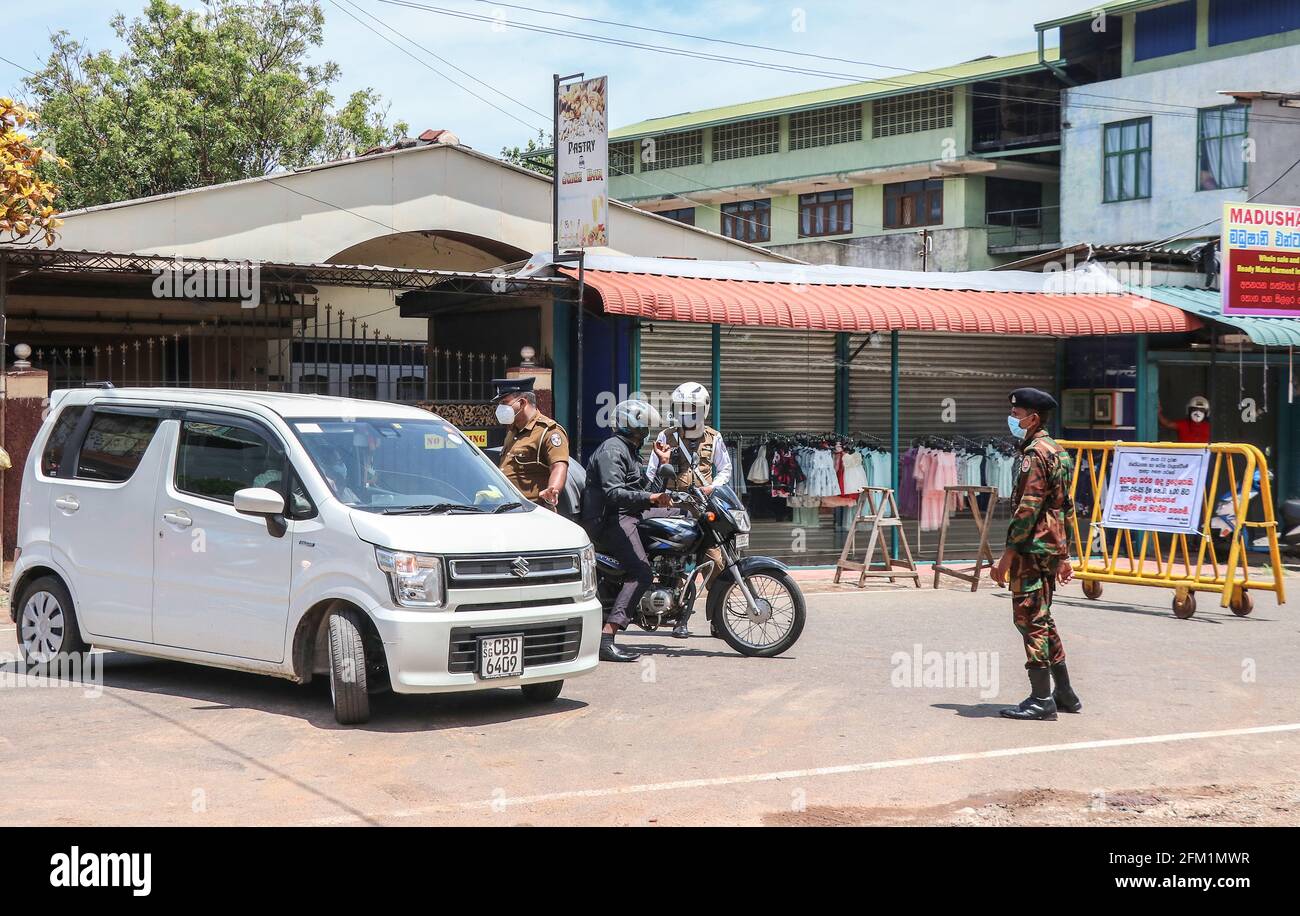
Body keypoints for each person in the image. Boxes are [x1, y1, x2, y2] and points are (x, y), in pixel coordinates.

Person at [991, 387, 1083, 722]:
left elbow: (1028, 509)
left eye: (1017, 414)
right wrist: (1065, 554)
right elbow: (1065, 507)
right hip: (1050, 545)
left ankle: (1041, 698)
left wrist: (1007, 556)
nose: (1012, 419)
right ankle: (1064, 693)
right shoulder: (1058, 451)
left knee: (1029, 618)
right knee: (1042, 616)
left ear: (1033, 417)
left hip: (1031, 547)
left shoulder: (1034, 454)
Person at [582, 399, 674, 662]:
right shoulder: (613, 450)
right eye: (643, 426)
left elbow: (645, 489)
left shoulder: (629, 450)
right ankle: (607, 637)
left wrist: (662, 463)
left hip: (628, 513)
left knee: (682, 517)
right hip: (610, 519)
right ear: (631, 425)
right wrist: (652, 499)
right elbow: (614, 494)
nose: (646, 432)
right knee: (641, 572)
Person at [647, 381, 731, 638]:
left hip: (705, 509)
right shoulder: (665, 436)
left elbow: (725, 469)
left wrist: (712, 487)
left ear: (703, 409)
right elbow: (651, 471)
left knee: (715, 563)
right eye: (682, 408)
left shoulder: (714, 437)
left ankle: (718, 621)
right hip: (675, 510)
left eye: (692, 408)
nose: (687, 413)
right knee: (676, 566)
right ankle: (680, 619)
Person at [492, 377, 570, 509]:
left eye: (505, 402)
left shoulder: (549, 431)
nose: (501, 408)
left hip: (532, 510)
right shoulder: (512, 431)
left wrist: (552, 489)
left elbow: (559, 466)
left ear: (522, 403)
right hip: (508, 508)